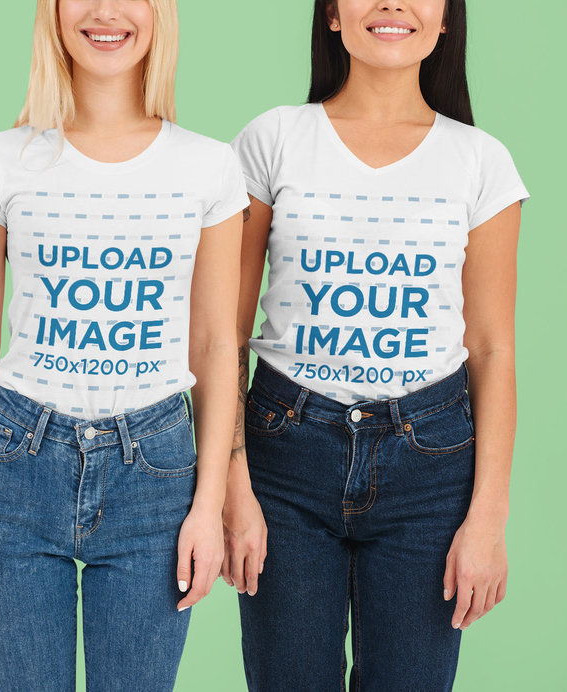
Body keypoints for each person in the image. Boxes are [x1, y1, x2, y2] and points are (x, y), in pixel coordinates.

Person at [0, 0, 247, 689]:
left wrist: (209, 503)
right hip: (17, 464)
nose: (106, 12)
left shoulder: (210, 167)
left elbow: (218, 345)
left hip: (156, 473)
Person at [226, 1, 528, 689]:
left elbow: (493, 350)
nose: (392, 3)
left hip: (429, 468)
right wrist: (230, 486)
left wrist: (487, 520)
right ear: (332, 15)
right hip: (285, 456)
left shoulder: (480, 161)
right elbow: (221, 338)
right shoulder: (273, 140)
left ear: (446, 19)